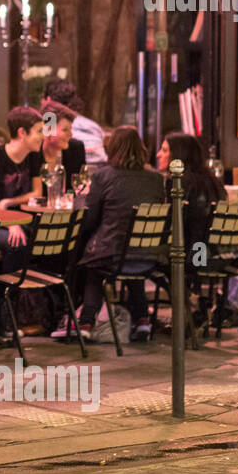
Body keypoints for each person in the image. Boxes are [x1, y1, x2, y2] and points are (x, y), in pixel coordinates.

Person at [75, 127, 165, 341]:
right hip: (150, 255)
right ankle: (143, 320)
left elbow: (90, 219)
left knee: (94, 270)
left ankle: (86, 322)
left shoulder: (102, 176)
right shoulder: (156, 179)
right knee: (131, 255)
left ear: (112, 148)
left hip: (113, 254)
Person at [0, 106, 44, 266]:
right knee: (17, 242)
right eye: (39, 131)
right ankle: (9, 290)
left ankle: (36, 289)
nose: (43, 136)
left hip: (21, 219)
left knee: (51, 236)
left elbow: (37, 192)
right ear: (22, 133)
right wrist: (8, 222)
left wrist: (9, 203)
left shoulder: (34, 155)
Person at [43, 78, 107, 166]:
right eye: (66, 130)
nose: (71, 134)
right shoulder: (94, 127)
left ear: (48, 100)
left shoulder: (74, 145)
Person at [39, 99, 87, 184]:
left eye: (71, 128)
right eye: (65, 130)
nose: (71, 134)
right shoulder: (34, 153)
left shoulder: (76, 149)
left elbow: (79, 187)